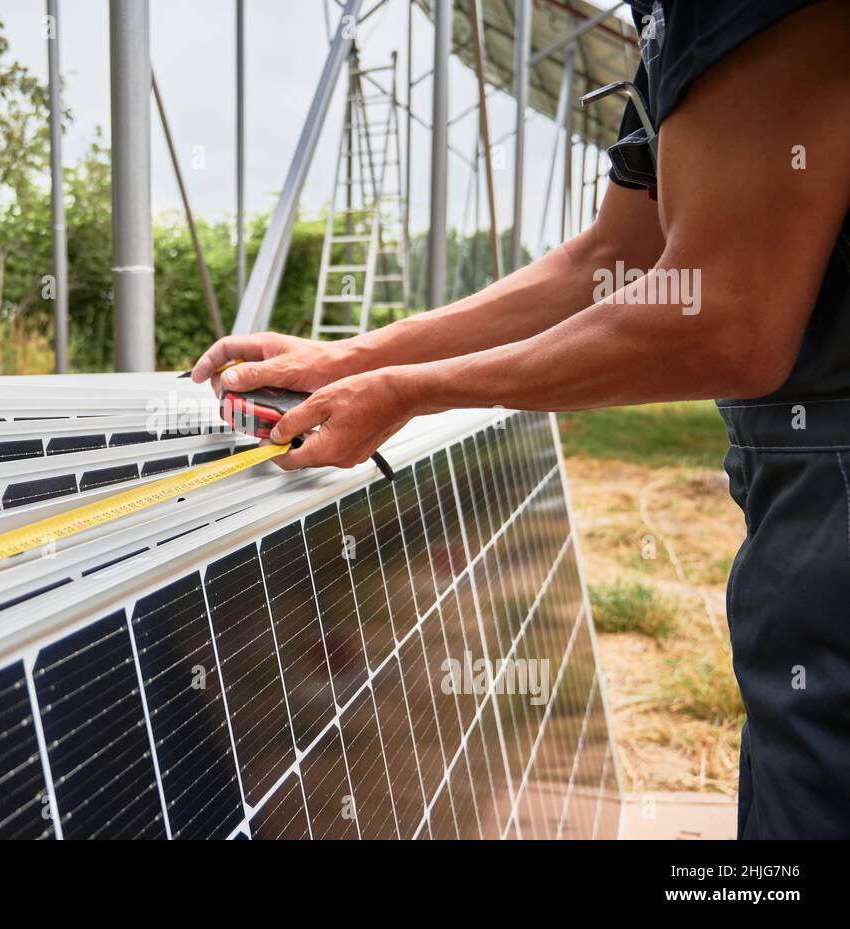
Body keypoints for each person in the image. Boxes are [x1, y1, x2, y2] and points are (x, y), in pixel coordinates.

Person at [191, 0, 850, 839]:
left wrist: (412, 391)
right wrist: (353, 360)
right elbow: (613, 259)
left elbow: (726, 316)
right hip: (802, 479)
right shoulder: (673, 22)